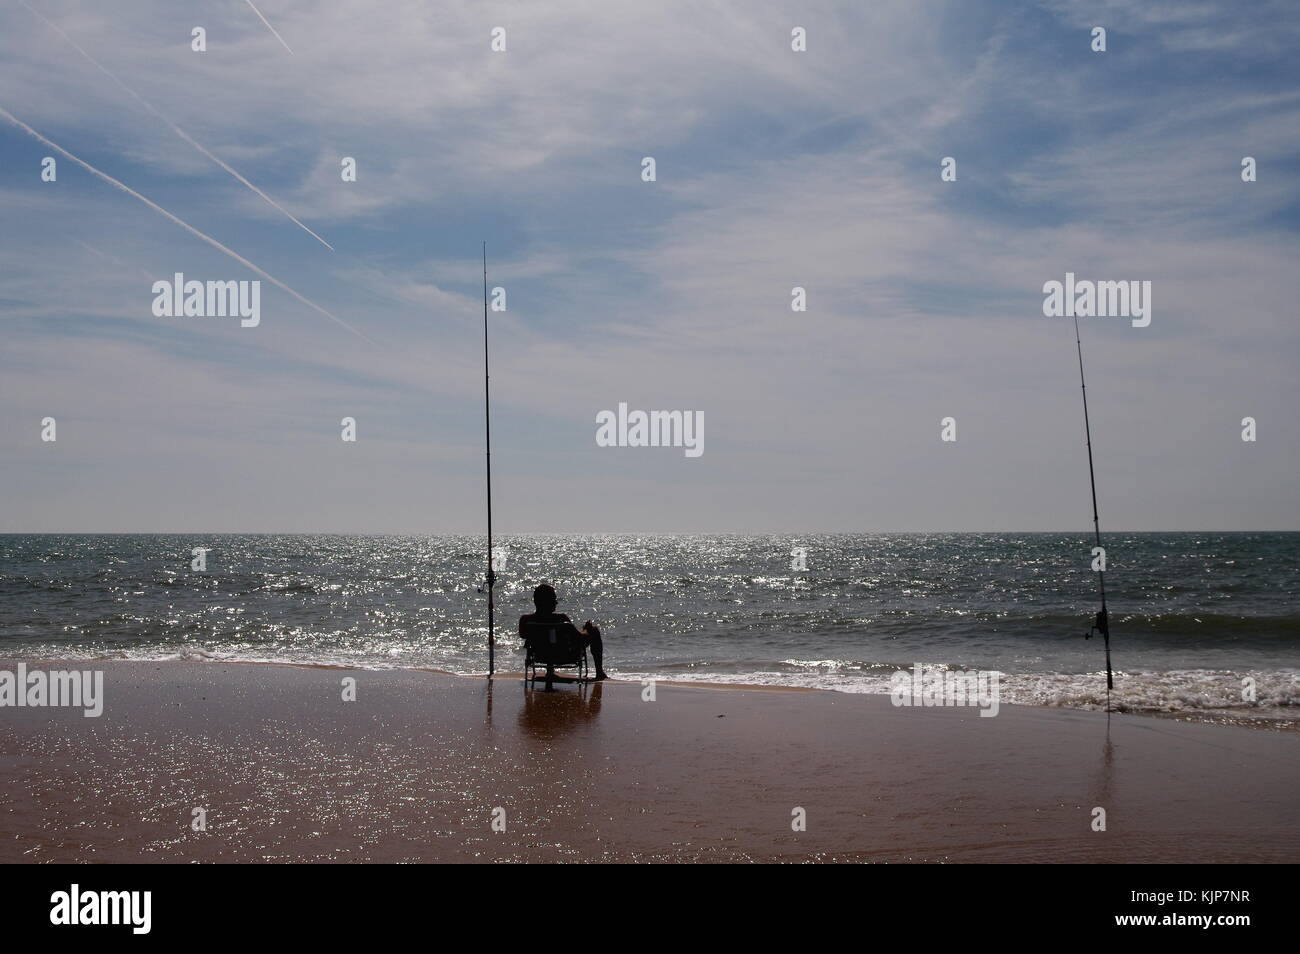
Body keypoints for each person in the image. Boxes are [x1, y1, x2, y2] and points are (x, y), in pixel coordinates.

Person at [519, 583, 607, 682]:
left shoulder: (525, 620)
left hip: (539, 655)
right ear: (547, 602)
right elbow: (579, 638)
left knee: (548, 643)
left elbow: (523, 635)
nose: (556, 602)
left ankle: (550, 672)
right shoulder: (561, 619)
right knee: (594, 631)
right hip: (565, 656)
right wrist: (586, 630)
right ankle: (599, 672)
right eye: (553, 599)